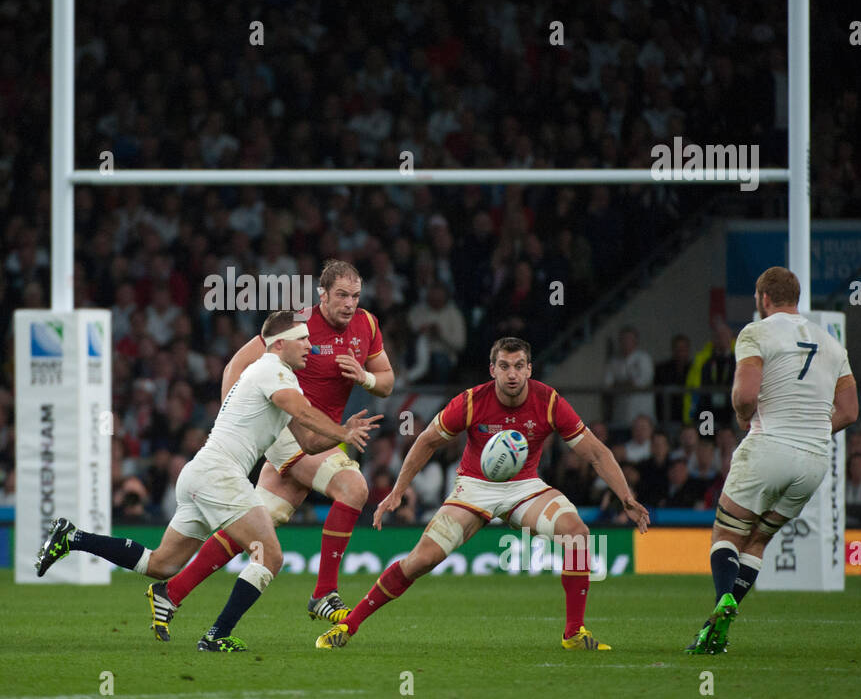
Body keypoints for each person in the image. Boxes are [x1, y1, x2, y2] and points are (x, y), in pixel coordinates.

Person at [34, 310, 379, 651]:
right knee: (270, 556)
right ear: (279, 344)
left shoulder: (272, 378)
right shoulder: (273, 369)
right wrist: (342, 431)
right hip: (220, 475)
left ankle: (73, 537)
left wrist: (342, 433)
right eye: (302, 339)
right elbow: (304, 412)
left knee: (161, 564)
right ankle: (216, 635)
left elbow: (307, 443)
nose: (310, 345)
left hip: (200, 473)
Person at [317, 336, 650, 652]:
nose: (512, 374)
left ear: (529, 369)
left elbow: (596, 453)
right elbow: (427, 441)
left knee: (577, 534)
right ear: (492, 370)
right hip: (474, 488)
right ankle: (349, 625)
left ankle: (574, 633)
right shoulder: (472, 401)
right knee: (422, 560)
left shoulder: (548, 401)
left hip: (525, 487)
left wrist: (626, 497)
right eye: (504, 366)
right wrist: (397, 492)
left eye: (519, 366)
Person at [153, 260, 395, 626]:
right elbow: (236, 366)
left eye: (356, 296)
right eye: (342, 295)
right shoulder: (298, 324)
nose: (349, 303)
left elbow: (387, 381)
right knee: (353, 486)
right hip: (289, 430)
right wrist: (231, 419)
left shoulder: (368, 324)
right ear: (323, 295)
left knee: (259, 521)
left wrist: (364, 377)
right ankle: (323, 593)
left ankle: (171, 592)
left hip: (321, 434)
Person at [686, 267, 858, 654]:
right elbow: (849, 411)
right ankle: (717, 627)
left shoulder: (756, 332)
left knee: (727, 533)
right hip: (814, 460)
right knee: (759, 539)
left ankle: (722, 601)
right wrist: (811, 429)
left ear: (763, 299)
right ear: (795, 298)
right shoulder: (831, 345)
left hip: (769, 447)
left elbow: (746, 395)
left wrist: (743, 416)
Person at [604, 326, 655, 426]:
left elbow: (642, 382)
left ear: (636, 341)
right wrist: (627, 384)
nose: (626, 342)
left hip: (641, 411)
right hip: (620, 413)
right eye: (623, 339)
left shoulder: (644, 358)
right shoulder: (613, 361)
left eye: (630, 339)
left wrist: (619, 384)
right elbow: (607, 385)